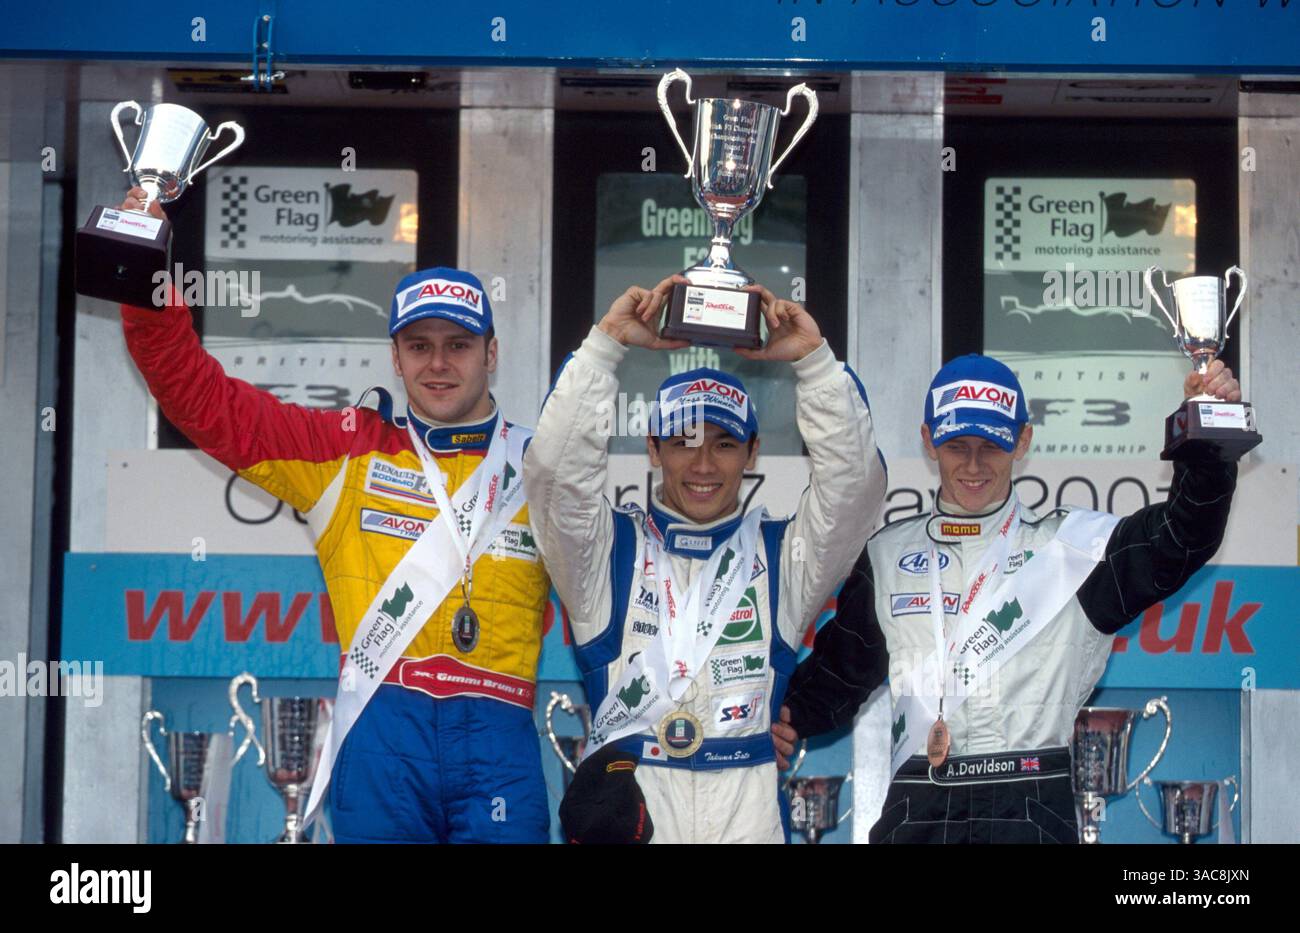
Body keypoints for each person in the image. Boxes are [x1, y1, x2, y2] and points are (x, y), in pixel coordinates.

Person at [116, 187, 552, 843]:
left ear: (492, 352)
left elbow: (627, 598)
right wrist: (143, 268)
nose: (438, 363)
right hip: (382, 736)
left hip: (498, 739)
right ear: (396, 357)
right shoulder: (344, 450)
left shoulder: (543, 467)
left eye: (458, 345)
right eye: (419, 345)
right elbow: (202, 399)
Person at [772, 353, 1241, 844]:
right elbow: (835, 675)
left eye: (991, 446)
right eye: (957, 445)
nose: (974, 465)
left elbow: (1184, 534)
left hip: (1033, 805)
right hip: (919, 805)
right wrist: (779, 722)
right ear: (929, 441)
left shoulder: (1076, 552)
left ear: (1022, 440)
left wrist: (1207, 431)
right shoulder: (888, 555)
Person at [523, 274, 887, 843]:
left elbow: (854, 491)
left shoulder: (782, 558)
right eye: (683, 442)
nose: (703, 465)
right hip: (636, 818)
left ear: (752, 453)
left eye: (723, 444)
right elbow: (555, 478)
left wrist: (815, 366)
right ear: (653, 449)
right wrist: (605, 347)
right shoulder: (605, 553)